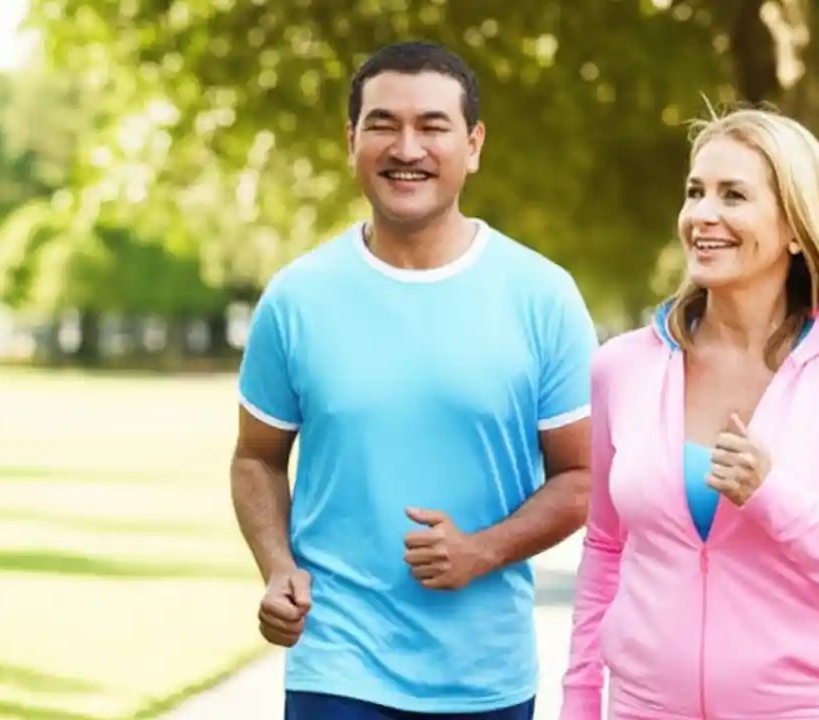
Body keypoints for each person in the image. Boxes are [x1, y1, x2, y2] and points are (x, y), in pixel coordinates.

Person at [231, 41, 598, 719]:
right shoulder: (297, 297)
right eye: (382, 124)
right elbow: (257, 458)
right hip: (336, 666)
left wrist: (481, 550)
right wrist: (278, 566)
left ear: (474, 143)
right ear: (351, 141)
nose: (407, 147)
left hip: (485, 676)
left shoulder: (542, 296)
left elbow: (582, 476)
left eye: (432, 126)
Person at [559, 107, 819, 720]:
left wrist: (773, 497)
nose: (703, 215)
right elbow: (604, 548)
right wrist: (579, 706)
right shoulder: (622, 368)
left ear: (794, 228)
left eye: (733, 195)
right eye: (695, 192)